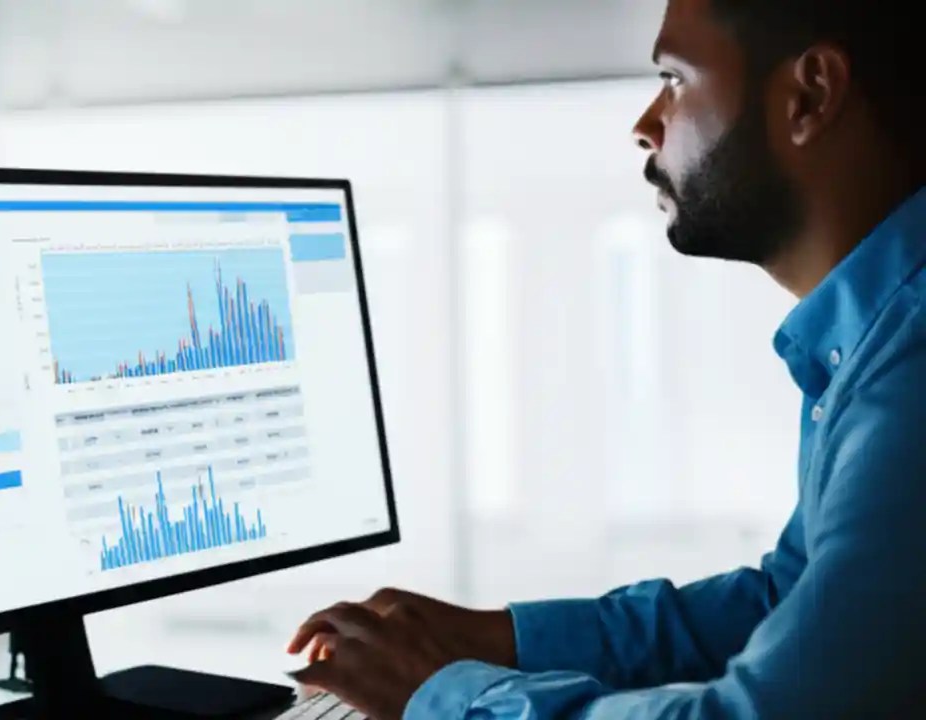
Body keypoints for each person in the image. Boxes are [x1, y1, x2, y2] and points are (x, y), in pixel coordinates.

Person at [286, 0, 926, 717]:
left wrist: (441, 697)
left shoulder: (910, 377)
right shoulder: (874, 345)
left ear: (808, 95)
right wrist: (497, 639)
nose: (646, 124)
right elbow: (790, 598)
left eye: (675, 79)